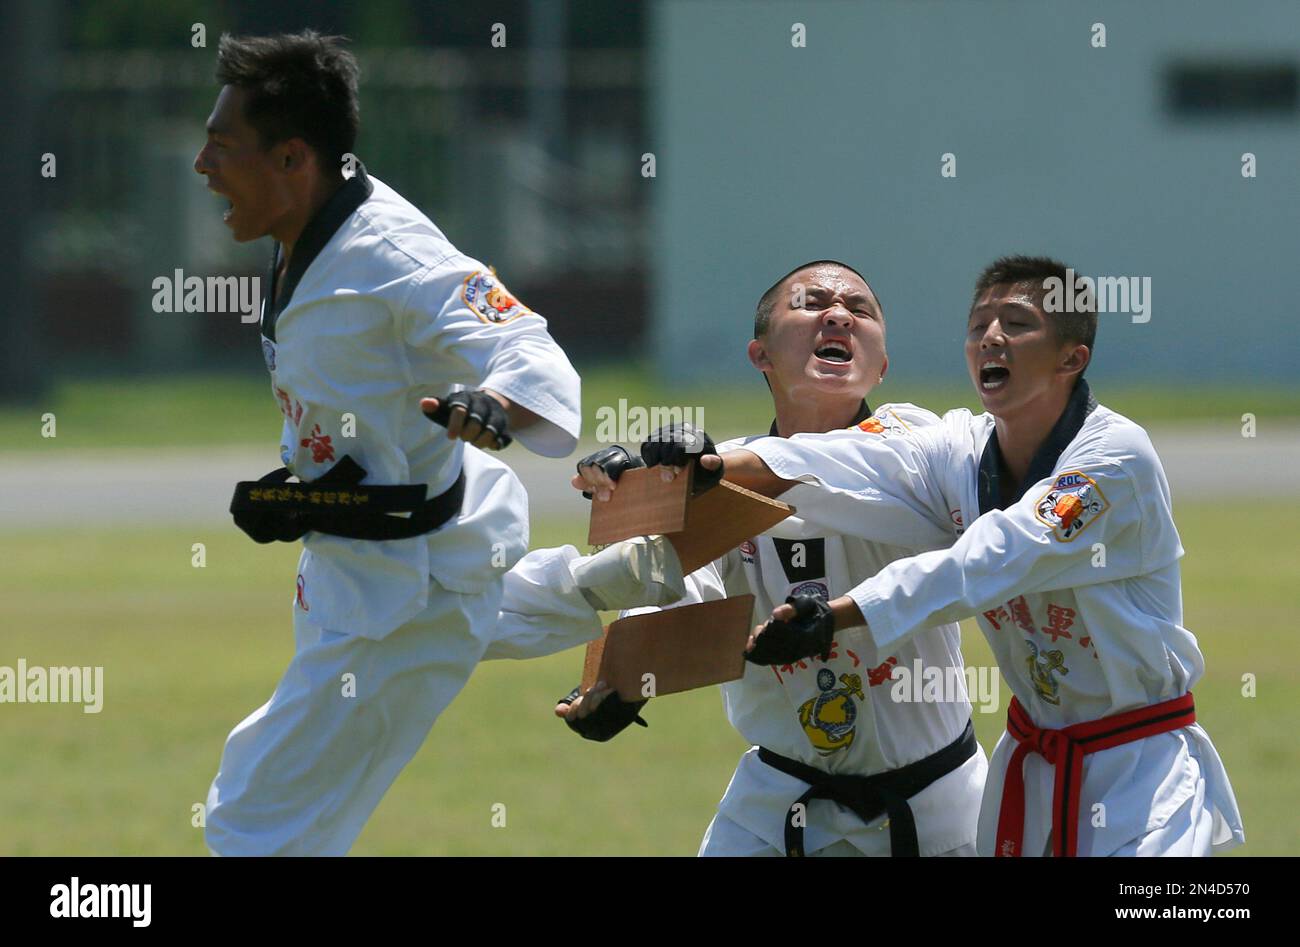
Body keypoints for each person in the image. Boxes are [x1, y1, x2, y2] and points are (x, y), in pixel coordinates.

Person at [706, 256, 1244, 856]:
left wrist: (841, 613)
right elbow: (850, 462)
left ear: (1072, 357)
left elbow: (989, 560)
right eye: (978, 324)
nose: (991, 337)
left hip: (1137, 766)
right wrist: (707, 466)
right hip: (1032, 766)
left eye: (1016, 323)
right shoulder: (960, 447)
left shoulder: (1114, 459)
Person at [193, 30, 580, 855]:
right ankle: (622, 576)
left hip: (400, 600)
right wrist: (303, 489)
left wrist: (496, 399)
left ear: (293, 158)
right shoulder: (309, 232)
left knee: (254, 824)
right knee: (465, 622)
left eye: (222, 147)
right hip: (367, 568)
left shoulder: (394, 257)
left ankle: (645, 582)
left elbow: (530, 345)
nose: (202, 164)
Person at [530, 261, 987, 856]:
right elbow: (684, 583)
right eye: (812, 301)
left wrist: (710, 473)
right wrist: (621, 678)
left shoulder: (918, 444)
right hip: (778, 806)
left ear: (881, 366)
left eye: (861, 310)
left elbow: (825, 467)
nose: (839, 313)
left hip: (938, 808)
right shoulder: (724, 472)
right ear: (761, 353)